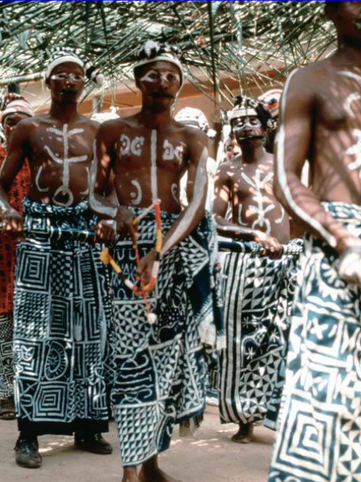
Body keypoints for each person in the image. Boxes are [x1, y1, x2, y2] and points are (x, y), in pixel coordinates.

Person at [270, 2, 361, 480]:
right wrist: (341, 239)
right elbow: (286, 178)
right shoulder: (309, 81)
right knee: (326, 395)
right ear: (331, 10)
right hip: (334, 251)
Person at [89, 40, 222, 482]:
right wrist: (114, 212)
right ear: (137, 80)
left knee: (166, 359)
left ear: (179, 83)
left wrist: (160, 252)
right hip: (127, 255)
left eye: (171, 76)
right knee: (130, 358)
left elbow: (197, 201)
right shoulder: (111, 131)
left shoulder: (192, 138)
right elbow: (96, 194)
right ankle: (131, 471)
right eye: (153, 75)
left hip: (172, 251)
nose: (162, 82)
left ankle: (150, 463)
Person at [0, 52, 113, 469]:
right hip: (41, 232)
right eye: (61, 74)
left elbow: (108, 188)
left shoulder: (98, 131)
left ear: (84, 83)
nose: (69, 81)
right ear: (47, 82)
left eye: (76, 75)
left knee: (89, 331)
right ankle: (29, 434)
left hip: (84, 233)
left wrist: (107, 217)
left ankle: (88, 425)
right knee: (35, 332)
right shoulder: (29, 128)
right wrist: (8, 212)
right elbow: (1, 185)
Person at [212, 95, 293, 444]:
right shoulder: (227, 170)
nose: (244, 127)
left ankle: (281, 418)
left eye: (251, 121)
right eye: (237, 122)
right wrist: (255, 235)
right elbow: (214, 218)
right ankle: (244, 419)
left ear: (266, 125)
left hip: (285, 261)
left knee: (282, 338)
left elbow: (300, 211)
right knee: (242, 340)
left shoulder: (284, 165)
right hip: (244, 262)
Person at [0, 93, 33, 422]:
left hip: (32, 247)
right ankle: (5, 394)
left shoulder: (38, 160)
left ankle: (28, 391)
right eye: (10, 122)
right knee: (3, 321)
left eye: (22, 122)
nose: (16, 127)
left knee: (29, 322)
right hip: (3, 251)